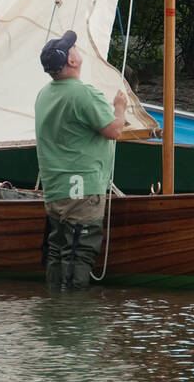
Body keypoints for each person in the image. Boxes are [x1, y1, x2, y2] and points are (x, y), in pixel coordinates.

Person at [34, 30, 126, 289]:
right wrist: (119, 108)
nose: (76, 48)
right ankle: (73, 317)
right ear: (71, 62)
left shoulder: (44, 95)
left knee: (57, 250)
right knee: (79, 252)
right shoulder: (84, 93)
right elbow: (114, 130)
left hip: (55, 189)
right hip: (83, 190)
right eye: (72, 48)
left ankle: (55, 312)